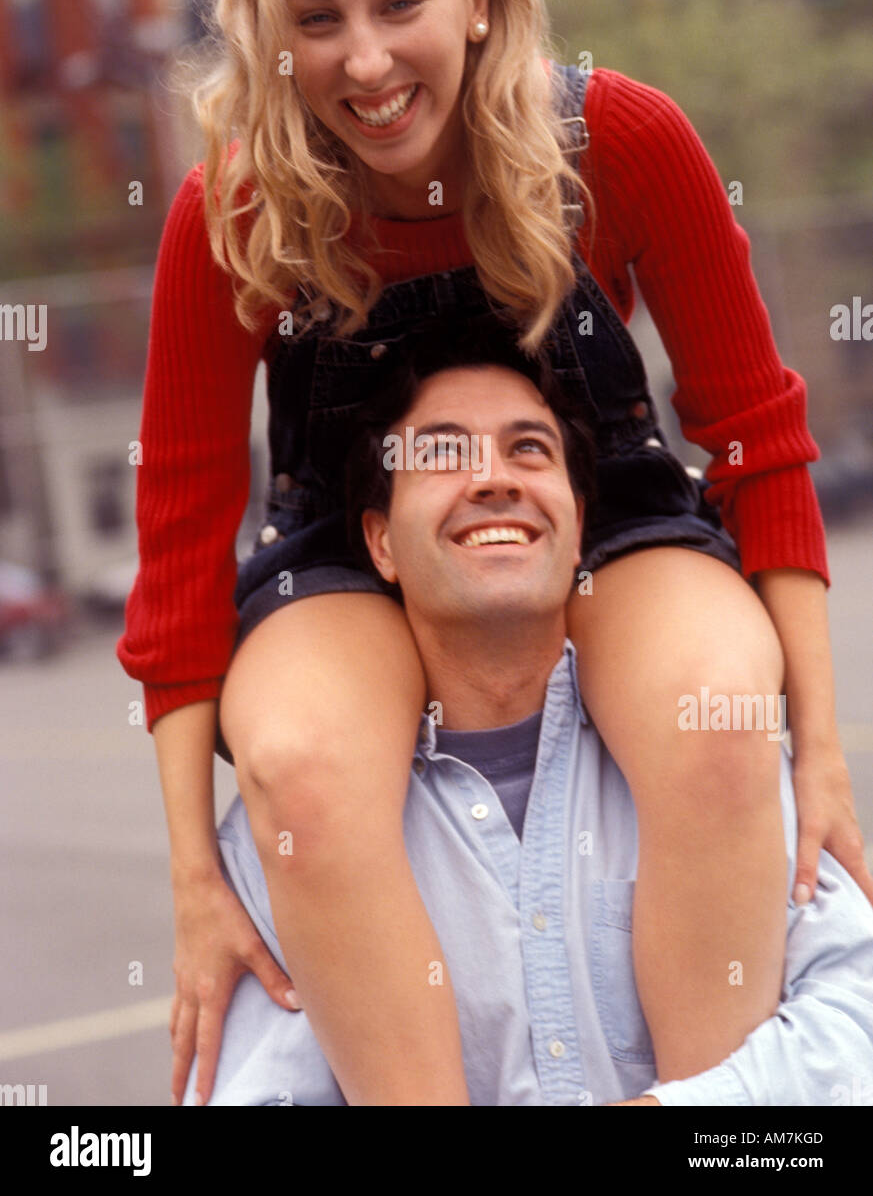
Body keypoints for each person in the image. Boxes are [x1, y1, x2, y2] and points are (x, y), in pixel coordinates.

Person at [115, 0, 872, 1108]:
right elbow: (181, 535)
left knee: (712, 719)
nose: (364, 61)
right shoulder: (236, 207)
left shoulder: (620, 139)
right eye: (317, 21)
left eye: (399, 4)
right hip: (346, 539)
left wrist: (821, 751)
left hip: (603, 504)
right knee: (301, 762)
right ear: (274, 37)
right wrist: (195, 876)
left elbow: (758, 434)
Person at [183, 350, 873, 1106]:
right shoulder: (295, 821)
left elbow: (856, 1021)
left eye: (529, 449)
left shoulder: (707, 742)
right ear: (380, 543)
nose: (493, 478)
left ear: (577, 531)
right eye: (441, 455)